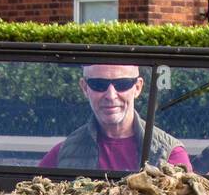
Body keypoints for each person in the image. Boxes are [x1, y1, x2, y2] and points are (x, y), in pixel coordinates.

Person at [37, 64, 192, 172]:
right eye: (99, 84)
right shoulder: (62, 155)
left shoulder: (170, 153)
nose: (111, 95)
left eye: (122, 84)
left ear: (137, 87)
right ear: (85, 88)